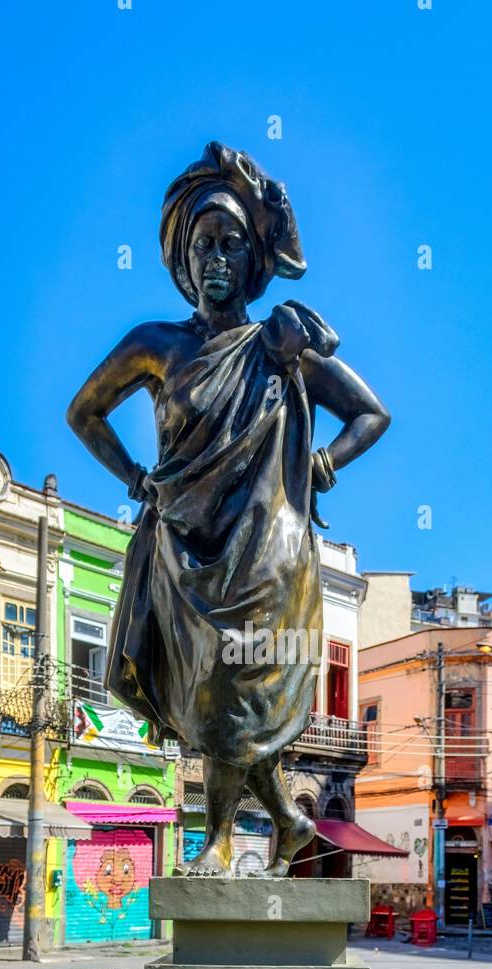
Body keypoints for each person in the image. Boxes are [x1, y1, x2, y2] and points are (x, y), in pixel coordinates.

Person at [67, 143, 390, 877]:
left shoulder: (281, 343)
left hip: (266, 553)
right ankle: (286, 819)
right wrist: (135, 478)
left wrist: (322, 463)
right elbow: (85, 412)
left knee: (224, 690)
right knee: (218, 697)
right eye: (204, 244)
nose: (216, 258)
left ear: (251, 259)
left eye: (232, 244)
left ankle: (217, 840)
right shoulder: (156, 344)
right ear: (185, 256)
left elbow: (371, 414)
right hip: (183, 546)